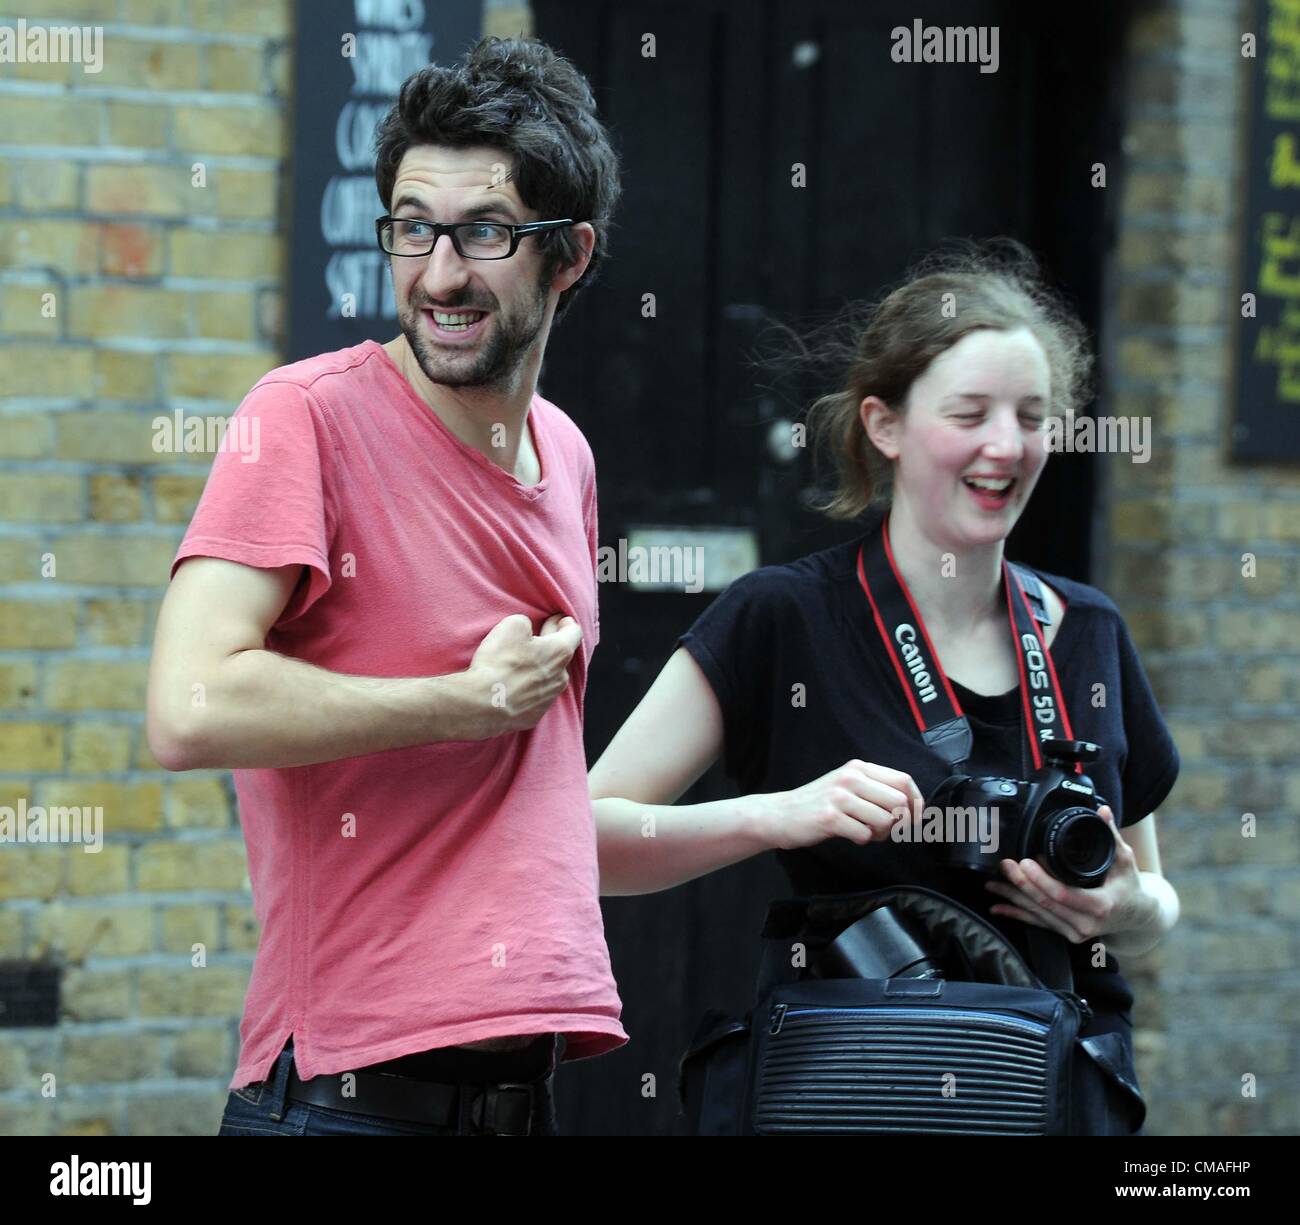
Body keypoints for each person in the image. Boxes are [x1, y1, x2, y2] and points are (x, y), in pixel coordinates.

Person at [589, 241, 1181, 1135]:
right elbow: (580, 837)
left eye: (1032, 415)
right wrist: (774, 814)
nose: (1005, 445)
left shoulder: (1091, 630)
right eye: (970, 413)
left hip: (1053, 1099)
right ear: (885, 424)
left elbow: (1154, 904)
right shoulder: (782, 617)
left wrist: (1126, 907)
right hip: (856, 1098)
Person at [145, 36, 626, 1136]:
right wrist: (459, 701)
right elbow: (188, 705)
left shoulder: (568, 453)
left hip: (522, 1092)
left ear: (570, 256)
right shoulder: (306, 416)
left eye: (485, 233)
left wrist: (779, 814)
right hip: (345, 1100)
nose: (441, 273)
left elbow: (534, 808)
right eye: (414, 228)